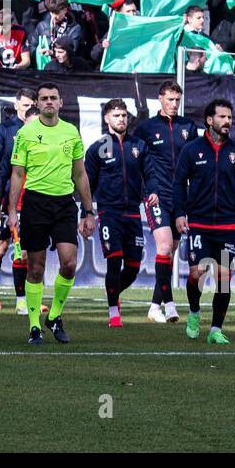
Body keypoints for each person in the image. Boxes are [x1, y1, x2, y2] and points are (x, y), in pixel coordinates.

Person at [6, 83, 95, 345]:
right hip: (34, 204)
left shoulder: (71, 131)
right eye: (43, 98)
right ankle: (34, 325)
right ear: (38, 102)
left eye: (52, 98)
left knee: (69, 263)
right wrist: (12, 210)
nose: (48, 102)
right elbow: (17, 174)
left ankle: (54, 316)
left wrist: (88, 211)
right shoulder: (26, 133)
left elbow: (80, 173)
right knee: (36, 268)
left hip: (64, 204)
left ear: (60, 102)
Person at [171, 99, 235, 346]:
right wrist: (179, 213)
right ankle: (195, 312)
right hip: (198, 223)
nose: (227, 122)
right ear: (209, 120)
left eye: (229, 117)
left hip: (226, 226)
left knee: (223, 277)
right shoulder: (192, 150)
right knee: (196, 274)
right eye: (222, 117)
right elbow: (179, 183)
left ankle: (216, 329)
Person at [131, 80, 199, 324]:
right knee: (164, 247)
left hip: (180, 198)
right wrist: (146, 190)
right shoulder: (146, 128)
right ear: (160, 99)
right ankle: (169, 306)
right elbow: (135, 161)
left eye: (177, 100)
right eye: (170, 99)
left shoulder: (188, 127)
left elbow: (193, 162)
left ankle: (153, 306)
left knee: (170, 254)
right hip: (156, 195)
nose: (174, 104)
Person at [85, 100, 156, 328]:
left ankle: (113, 292)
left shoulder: (139, 146)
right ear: (107, 119)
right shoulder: (98, 147)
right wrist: (85, 213)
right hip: (109, 212)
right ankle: (113, 311)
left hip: (133, 213)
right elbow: (87, 183)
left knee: (133, 268)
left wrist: (152, 190)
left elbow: (150, 173)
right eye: (116, 115)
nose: (121, 119)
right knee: (114, 261)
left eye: (124, 115)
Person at [0, 88, 33, 312]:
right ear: (16, 105)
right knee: (1, 248)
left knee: (25, 250)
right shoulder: (4, 130)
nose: (29, 109)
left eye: (32, 105)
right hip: (8, 200)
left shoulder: (42, 131)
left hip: (32, 200)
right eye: (25, 105)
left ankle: (23, 299)